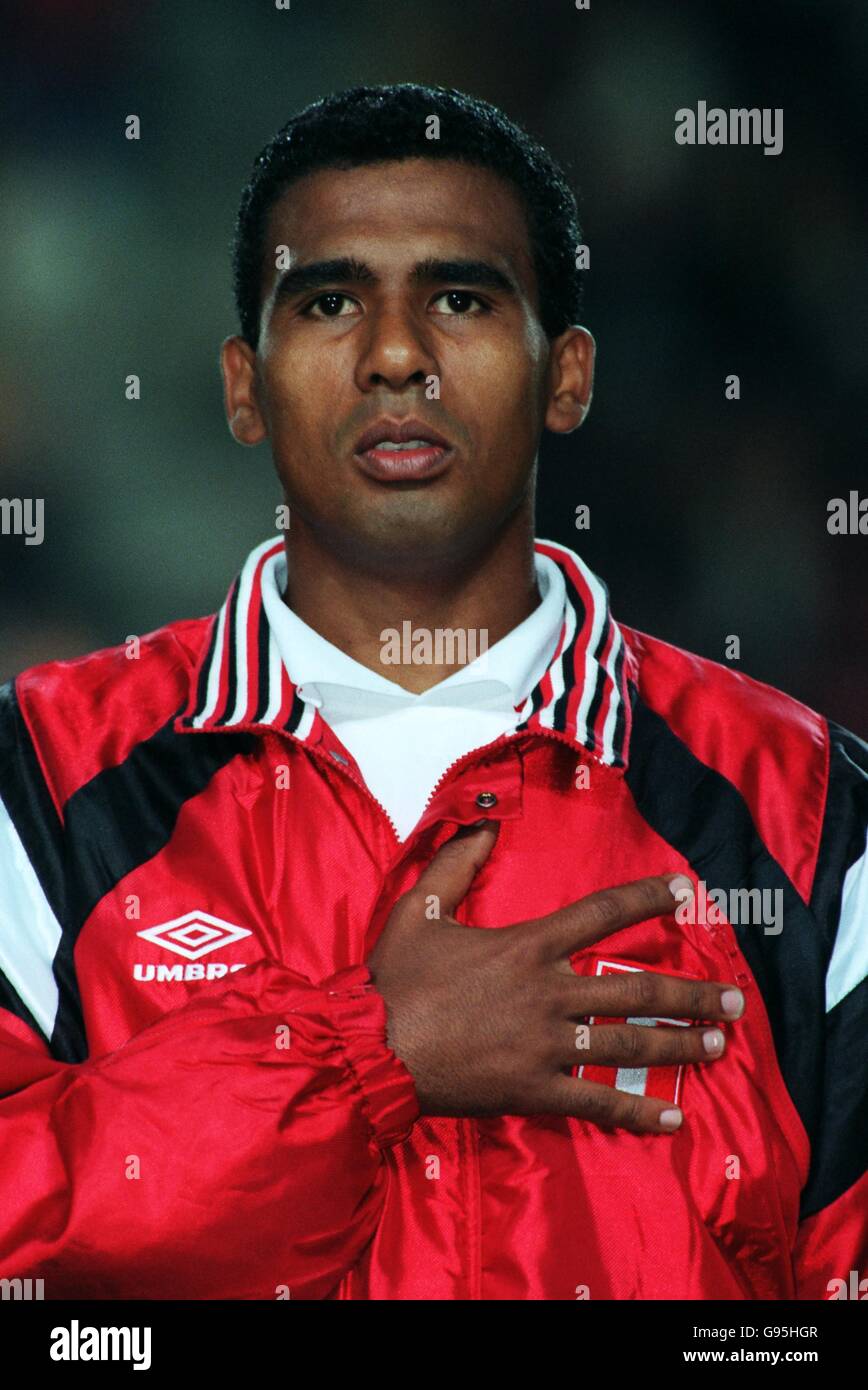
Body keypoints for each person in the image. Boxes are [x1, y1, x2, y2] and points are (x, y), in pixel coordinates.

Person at [0, 84, 864, 1301]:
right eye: (331, 300)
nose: (395, 354)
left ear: (566, 376)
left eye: (460, 297)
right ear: (243, 387)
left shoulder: (810, 812)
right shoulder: (33, 787)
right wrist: (374, 1053)